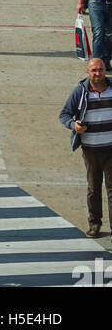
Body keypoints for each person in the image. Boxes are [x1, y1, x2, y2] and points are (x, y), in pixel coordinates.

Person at [59, 57, 112, 238]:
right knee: (93, 189)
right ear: (88, 73)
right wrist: (74, 125)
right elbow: (64, 114)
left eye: (101, 70)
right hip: (91, 150)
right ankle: (95, 224)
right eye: (94, 70)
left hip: (111, 148)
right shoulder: (80, 92)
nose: (98, 74)